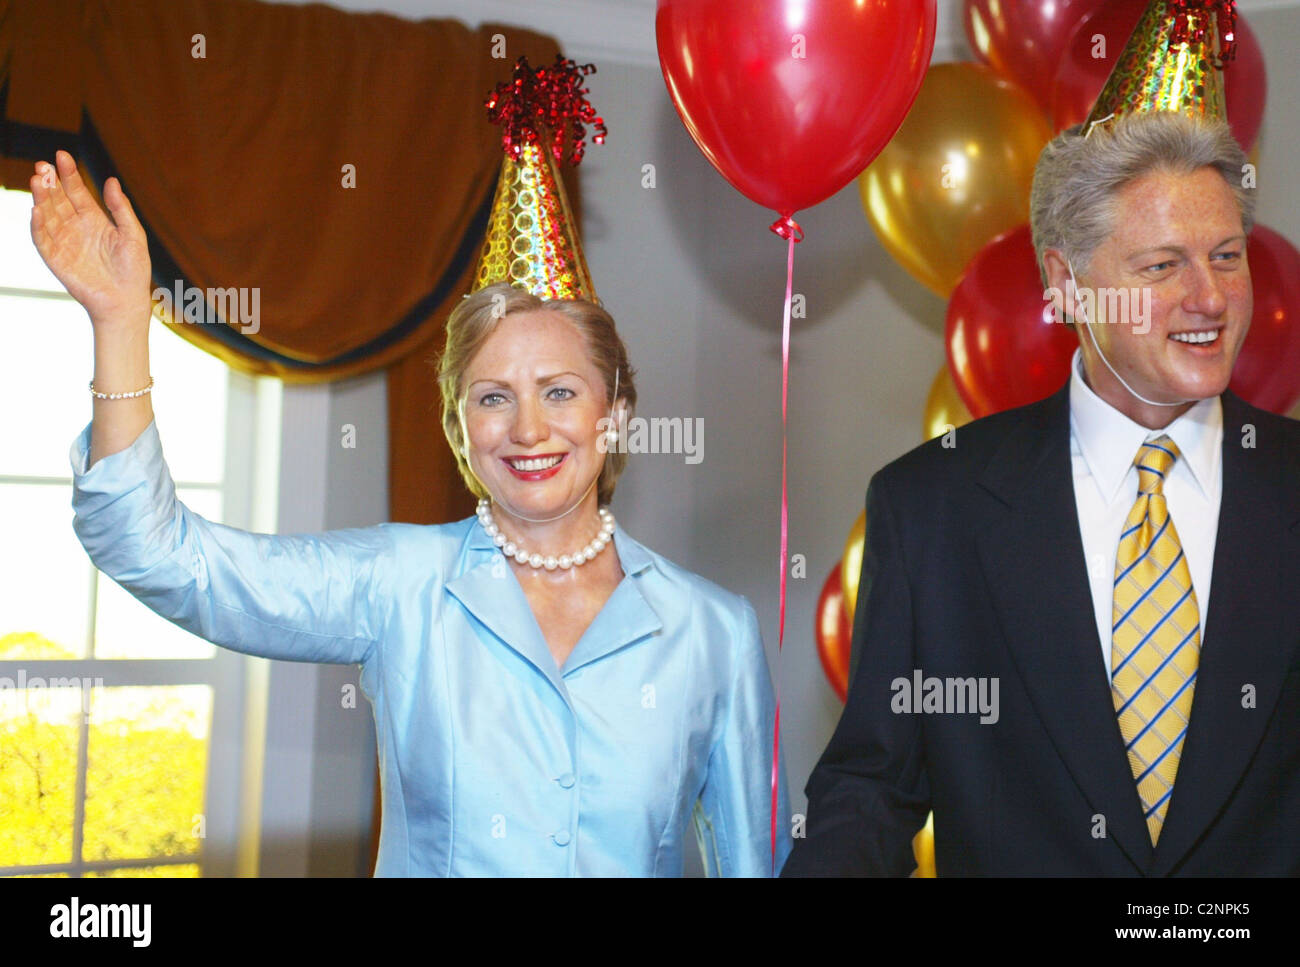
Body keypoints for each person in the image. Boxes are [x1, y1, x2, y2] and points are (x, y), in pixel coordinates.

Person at [30, 147, 791, 877]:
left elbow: (754, 863)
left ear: (616, 413)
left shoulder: (713, 633)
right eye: (494, 397)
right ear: (461, 429)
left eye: (559, 390)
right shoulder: (400, 583)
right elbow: (161, 555)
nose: (528, 428)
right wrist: (121, 323)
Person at [784, 108, 1300, 875]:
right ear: (1067, 284)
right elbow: (870, 790)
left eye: (1227, 256)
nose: (1211, 298)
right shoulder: (932, 509)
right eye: (1161, 267)